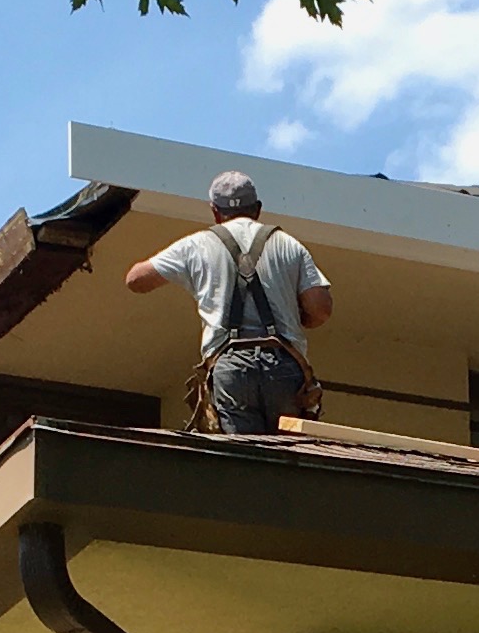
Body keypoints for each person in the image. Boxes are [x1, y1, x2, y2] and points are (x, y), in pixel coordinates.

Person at [124, 169, 334, 434]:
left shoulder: (196, 245)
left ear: (214, 211)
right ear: (257, 209)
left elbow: (135, 280)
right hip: (284, 365)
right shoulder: (289, 245)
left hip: (231, 368)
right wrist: (297, 316)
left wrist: (197, 280)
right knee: (286, 458)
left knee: (244, 460)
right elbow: (321, 309)